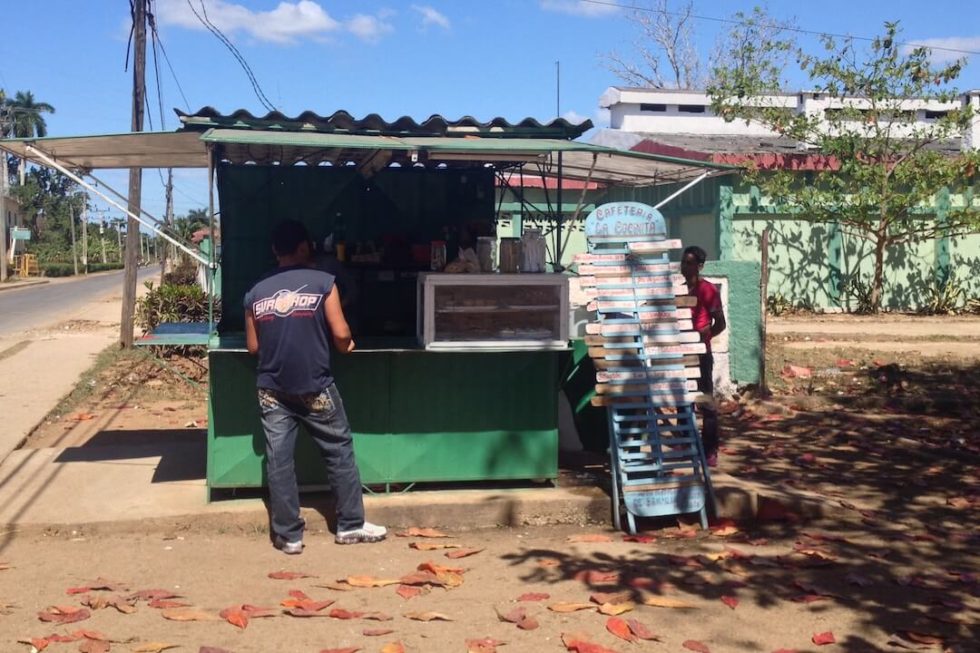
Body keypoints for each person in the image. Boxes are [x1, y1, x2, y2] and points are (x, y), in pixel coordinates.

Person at [244, 219, 386, 554]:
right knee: (338, 450)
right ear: (305, 247)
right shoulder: (324, 283)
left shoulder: (255, 292)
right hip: (315, 386)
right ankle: (350, 525)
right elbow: (341, 335)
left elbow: (253, 347)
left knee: (278, 460)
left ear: (275, 251)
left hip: (271, 389)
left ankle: (289, 536)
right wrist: (346, 345)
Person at [680, 245, 726, 468]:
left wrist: (704, 338)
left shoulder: (707, 290)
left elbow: (721, 324)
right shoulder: (678, 290)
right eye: (683, 262)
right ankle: (686, 444)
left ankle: (710, 450)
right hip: (680, 353)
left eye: (689, 263)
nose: (684, 267)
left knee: (706, 402)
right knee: (682, 400)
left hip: (701, 354)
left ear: (699, 266)